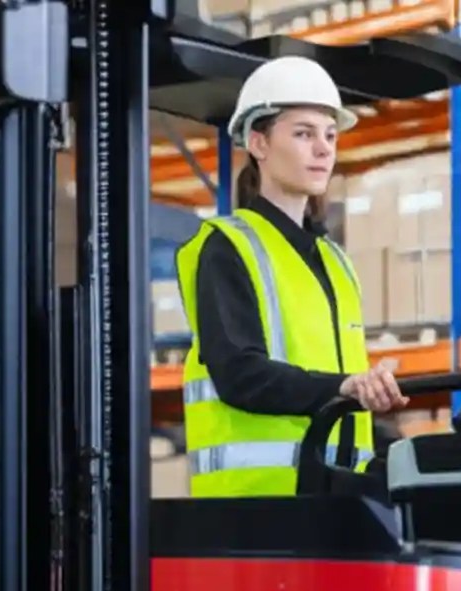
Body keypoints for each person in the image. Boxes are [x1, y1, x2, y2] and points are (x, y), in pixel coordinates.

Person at [175, 56, 410, 498]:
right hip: (260, 507)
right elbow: (240, 373)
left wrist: (375, 402)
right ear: (259, 143)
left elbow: (338, 385)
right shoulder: (227, 246)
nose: (324, 149)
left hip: (335, 494)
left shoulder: (334, 260)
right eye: (304, 133)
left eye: (330, 135)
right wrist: (346, 387)